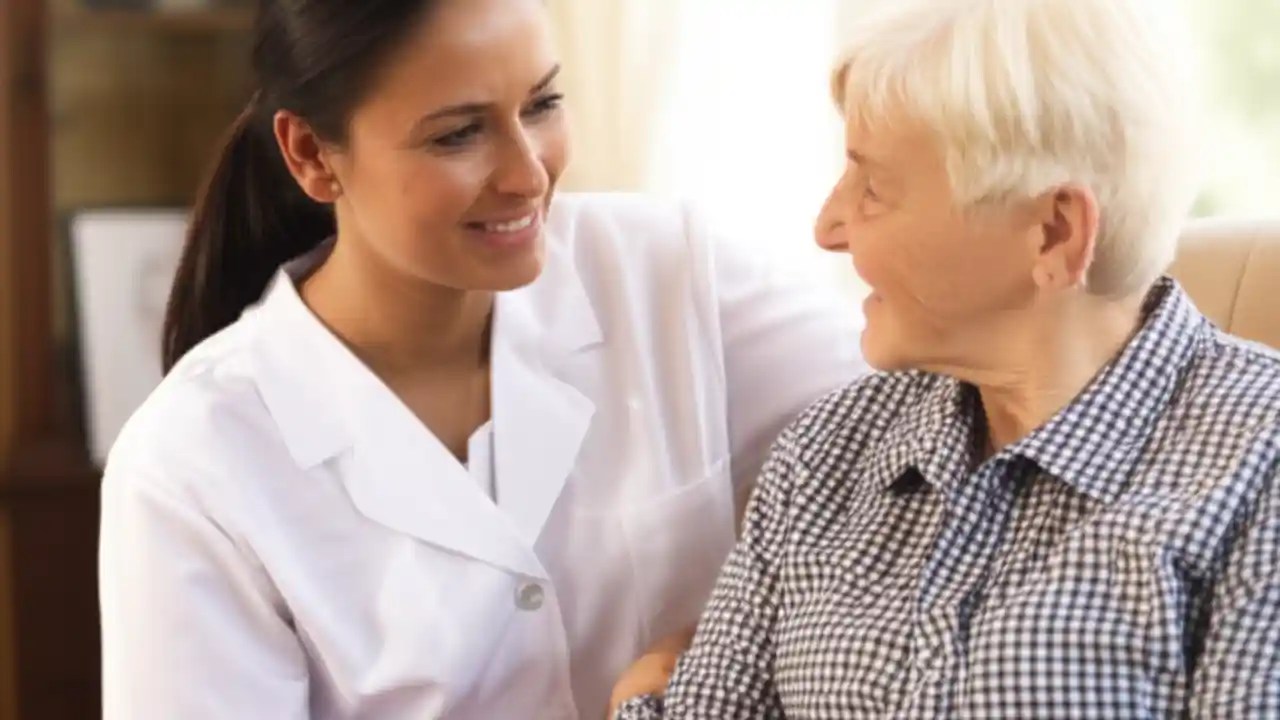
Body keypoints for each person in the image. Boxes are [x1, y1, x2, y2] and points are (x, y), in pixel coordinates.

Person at [96, 0, 866, 718]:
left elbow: (934, 424)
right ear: (311, 155)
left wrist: (714, 643)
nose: (528, 174)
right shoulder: (192, 463)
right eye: (458, 134)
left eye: (541, 105)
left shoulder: (669, 273)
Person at [612, 0, 1280, 717]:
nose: (828, 227)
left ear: (1054, 232)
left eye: (872, 188)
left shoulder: (1257, 466)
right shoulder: (826, 453)